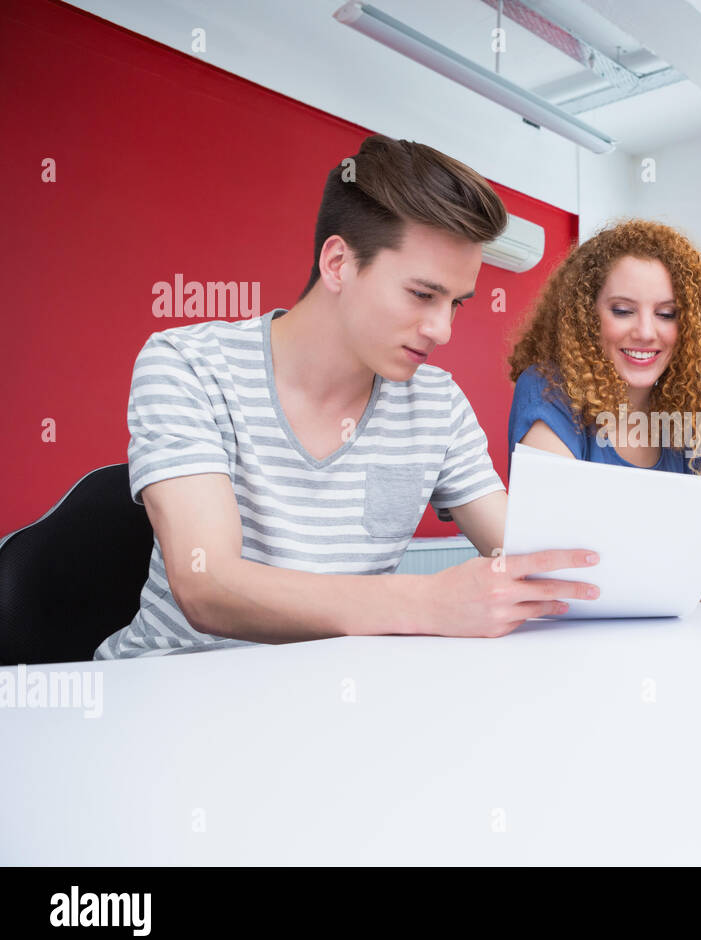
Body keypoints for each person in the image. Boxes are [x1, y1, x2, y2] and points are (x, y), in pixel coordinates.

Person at [95, 134, 598, 659]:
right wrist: (426, 601)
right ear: (338, 263)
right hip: (169, 692)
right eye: (423, 294)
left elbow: (535, 560)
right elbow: (208, 587)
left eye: (457, 303)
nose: (442, 330)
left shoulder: (438, 406)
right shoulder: (189, 365)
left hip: (334, 696)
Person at [507, 219, 701, 604]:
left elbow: (683, 559)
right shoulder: (548, 389)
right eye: (622, 310)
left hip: (651, 622)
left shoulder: (687, 425)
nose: (644, 331)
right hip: (562, 623)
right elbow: (556, 558)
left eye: (667, 314)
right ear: (587, 317)